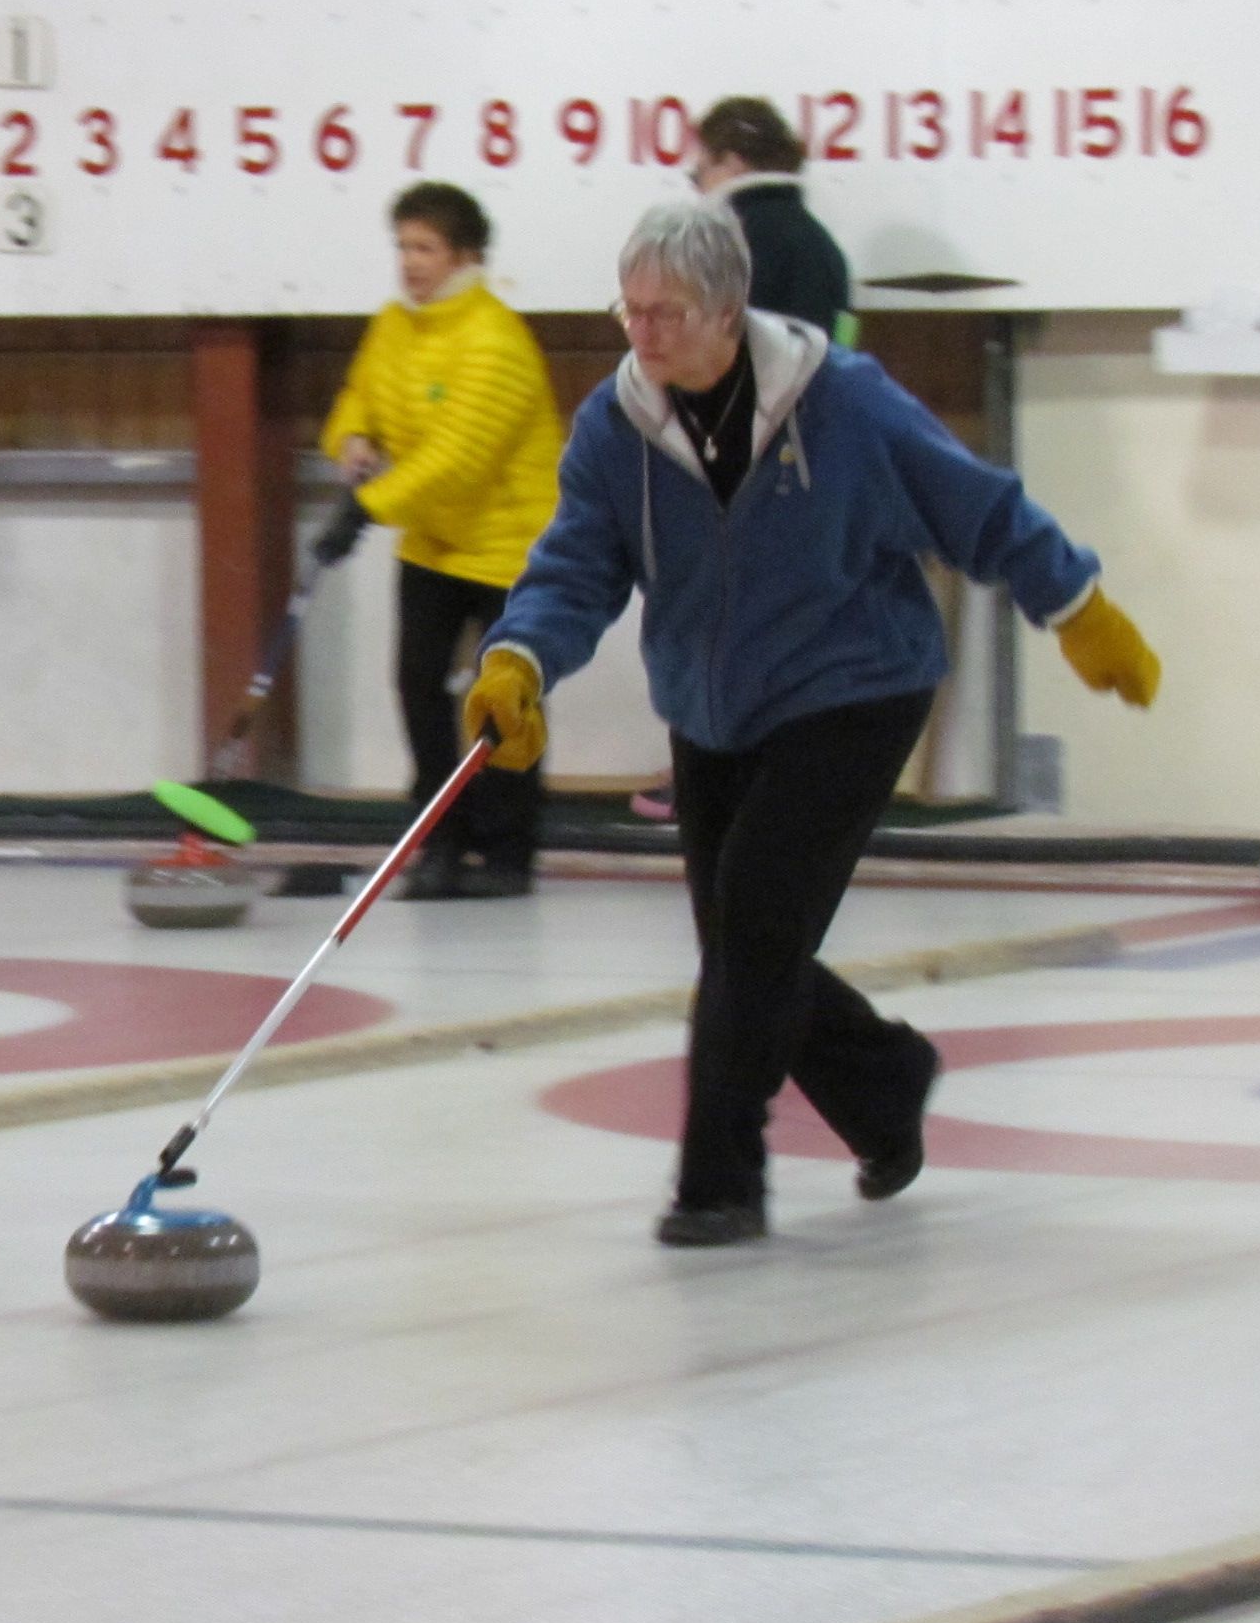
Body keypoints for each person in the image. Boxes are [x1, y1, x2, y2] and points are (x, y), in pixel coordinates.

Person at [464, 202, 1159, 1247]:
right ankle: (885, 1085)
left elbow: (979, 507)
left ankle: (719, 1182)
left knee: (752, 924)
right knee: (748, 943)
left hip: (855, 688)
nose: (643, 335)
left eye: (668, 313)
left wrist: (1075, 606)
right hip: (712, 708)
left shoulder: (844, 404)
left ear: (730, 310)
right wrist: (518, 659)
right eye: (631, 310)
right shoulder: (617, 426)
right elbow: (575, 566)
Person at [319, 181, 564, 899]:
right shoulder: (397, 324)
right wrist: (353, 439)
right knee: (418, 686)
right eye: (402, 245)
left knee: (505, 701)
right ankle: (437, 842)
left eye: (424, 247)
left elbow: (459, 461)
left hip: (510, 545)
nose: (410, 262)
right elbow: (359, 396)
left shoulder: (496, 339)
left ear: (463, 254)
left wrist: (365, 508)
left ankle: (509, 853)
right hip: (433, 544)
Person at [690, 96, 850, 340]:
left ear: (733, 163)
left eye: (698, 173)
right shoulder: (825, 248)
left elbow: (708, 352)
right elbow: (841, 346)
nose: (698, 189)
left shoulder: (724, 244)